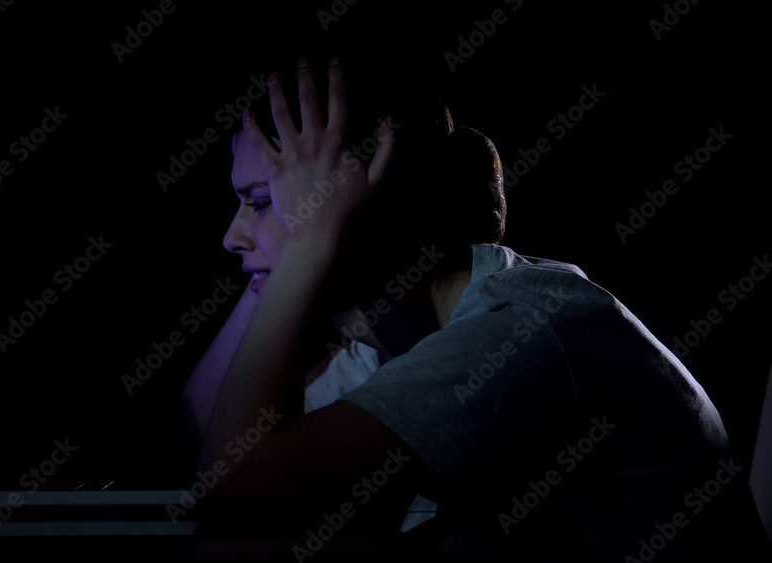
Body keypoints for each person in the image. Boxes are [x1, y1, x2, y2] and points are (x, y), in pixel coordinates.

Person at [185, 55, 770, 560]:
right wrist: (285, 256)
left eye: (260, 202)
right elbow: (207, 435)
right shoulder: (393, 342)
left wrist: (309, 242)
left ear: (360, 207)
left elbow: (233, 481)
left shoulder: (520, 326)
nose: (231, 235)